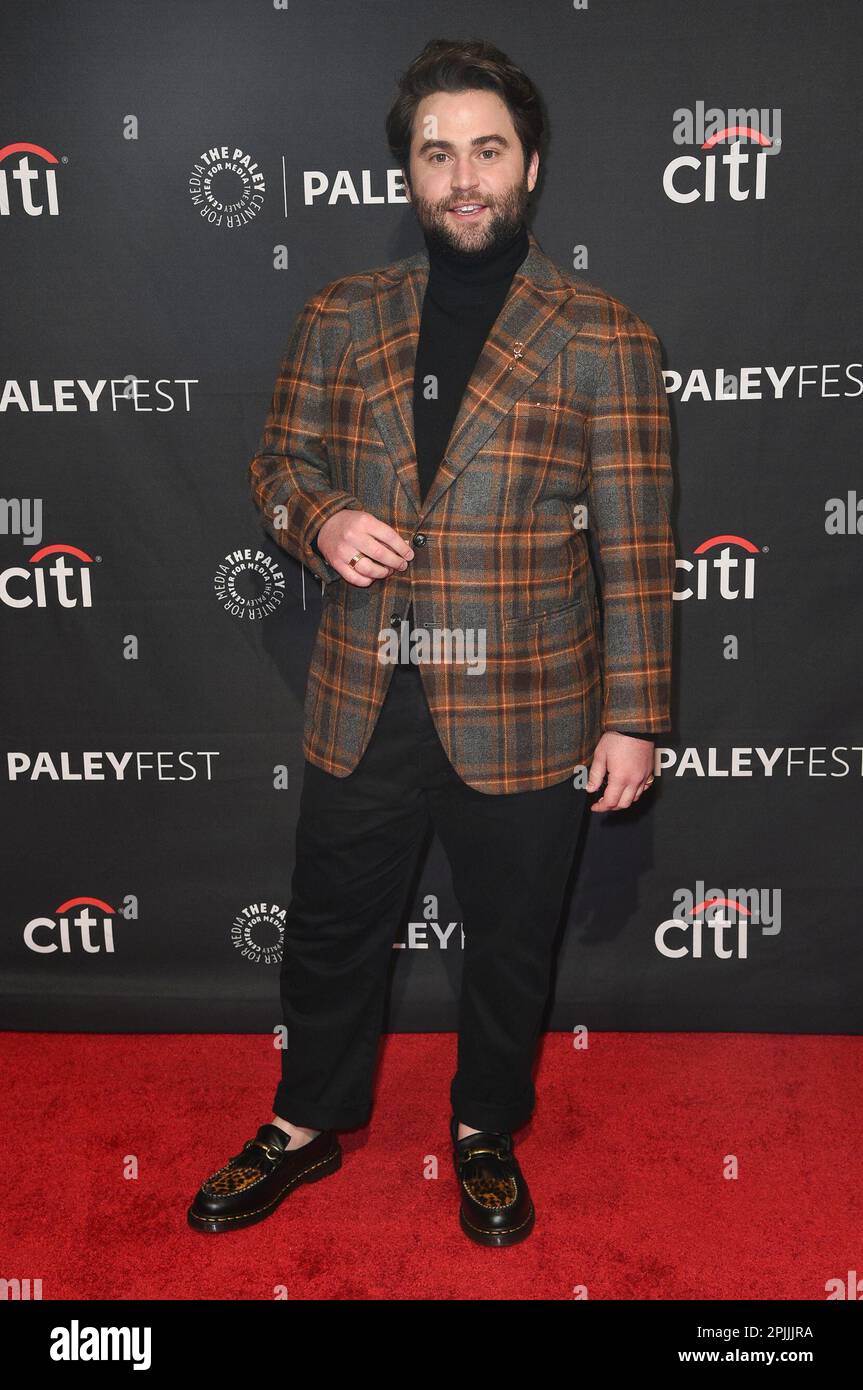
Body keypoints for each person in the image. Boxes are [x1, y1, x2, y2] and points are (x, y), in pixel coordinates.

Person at [188, 37, 674, 1247]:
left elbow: (633, 538)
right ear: (408, 172)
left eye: (487, 149)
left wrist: (636, 714)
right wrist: (323, 517)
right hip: (365, 688)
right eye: (436, 151)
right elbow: (276, 464)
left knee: (509, 940)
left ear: (531, 165)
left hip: (529, 696)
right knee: (332, 923)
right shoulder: (341, 314)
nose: (463, 175)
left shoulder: (604, 335)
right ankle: (303, 1125)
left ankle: (483, 1130)